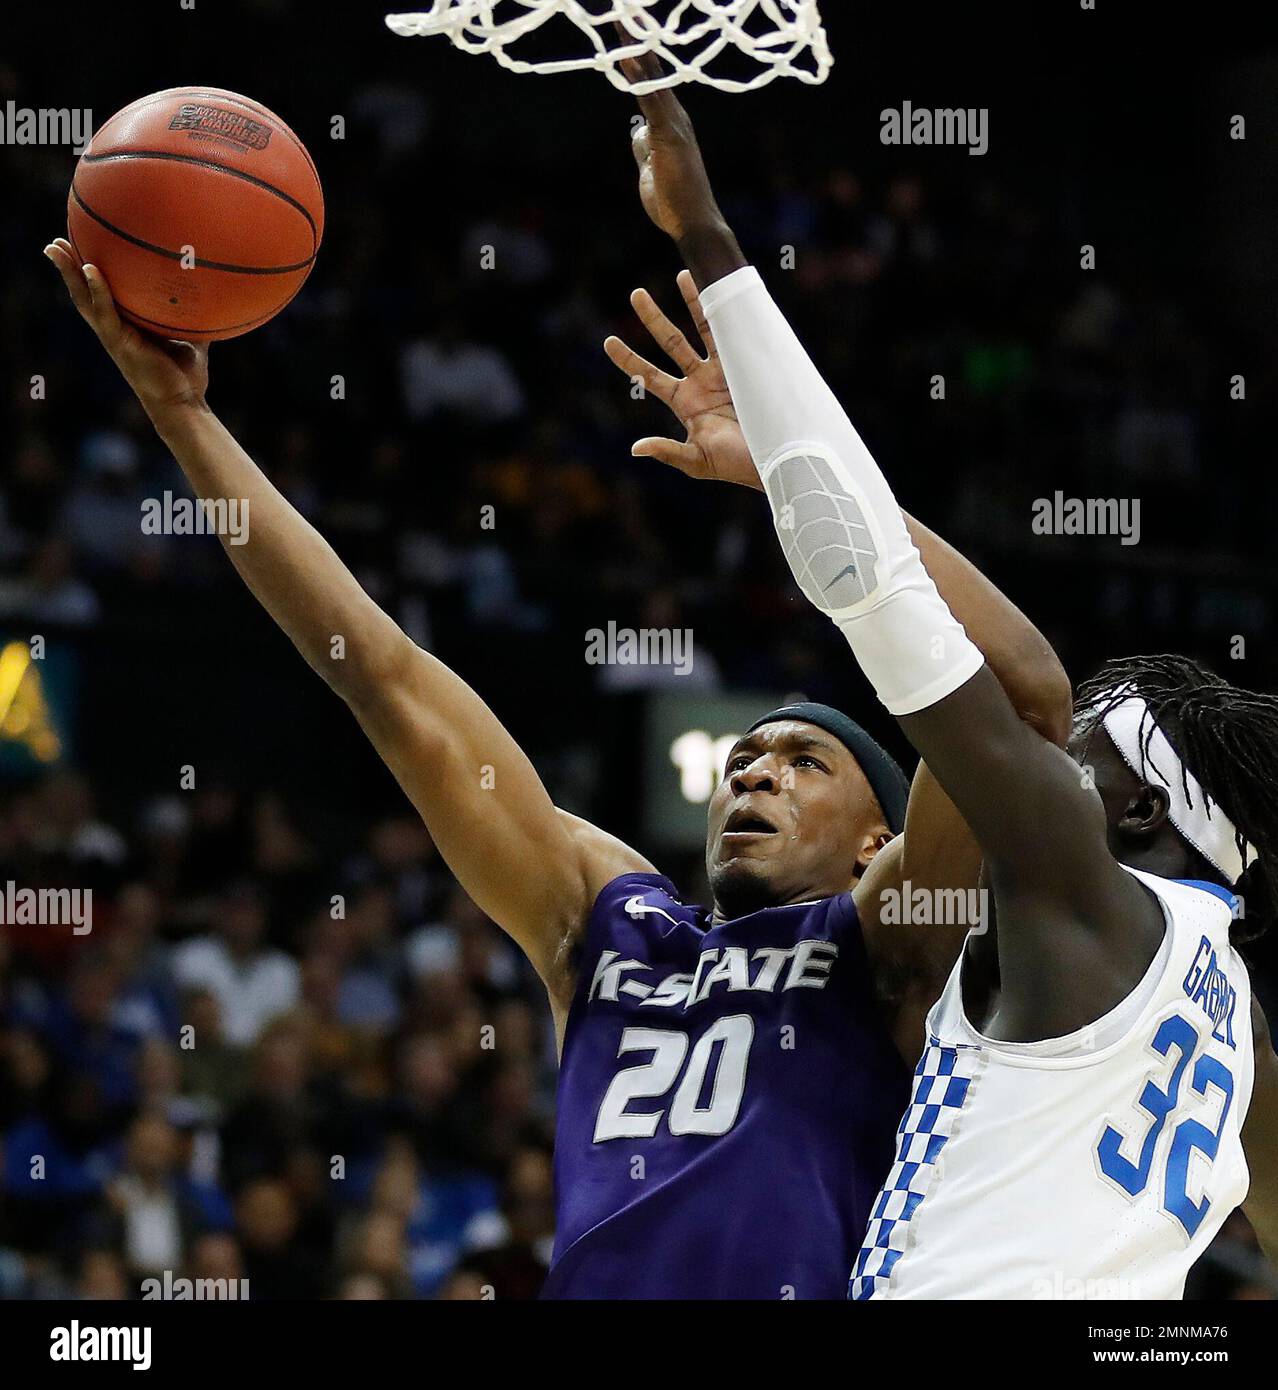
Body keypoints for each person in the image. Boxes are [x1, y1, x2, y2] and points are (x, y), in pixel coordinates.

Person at [43, 217, 1069, 1297]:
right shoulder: (611, 921)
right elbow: (382, 676)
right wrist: (185, 421)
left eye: (805, 761)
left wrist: (792, 475)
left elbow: (1019, 699)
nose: (754, 772)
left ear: (880, 837)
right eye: (744, 757)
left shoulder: (889, 939)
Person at [618, 60, 1278, 1298]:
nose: (1042, 760)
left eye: (1084, 753)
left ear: (1139, 811)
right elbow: (1025, 671)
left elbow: (869, 587)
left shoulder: (1080, 889)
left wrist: (709, 237)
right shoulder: (1232, 1021)